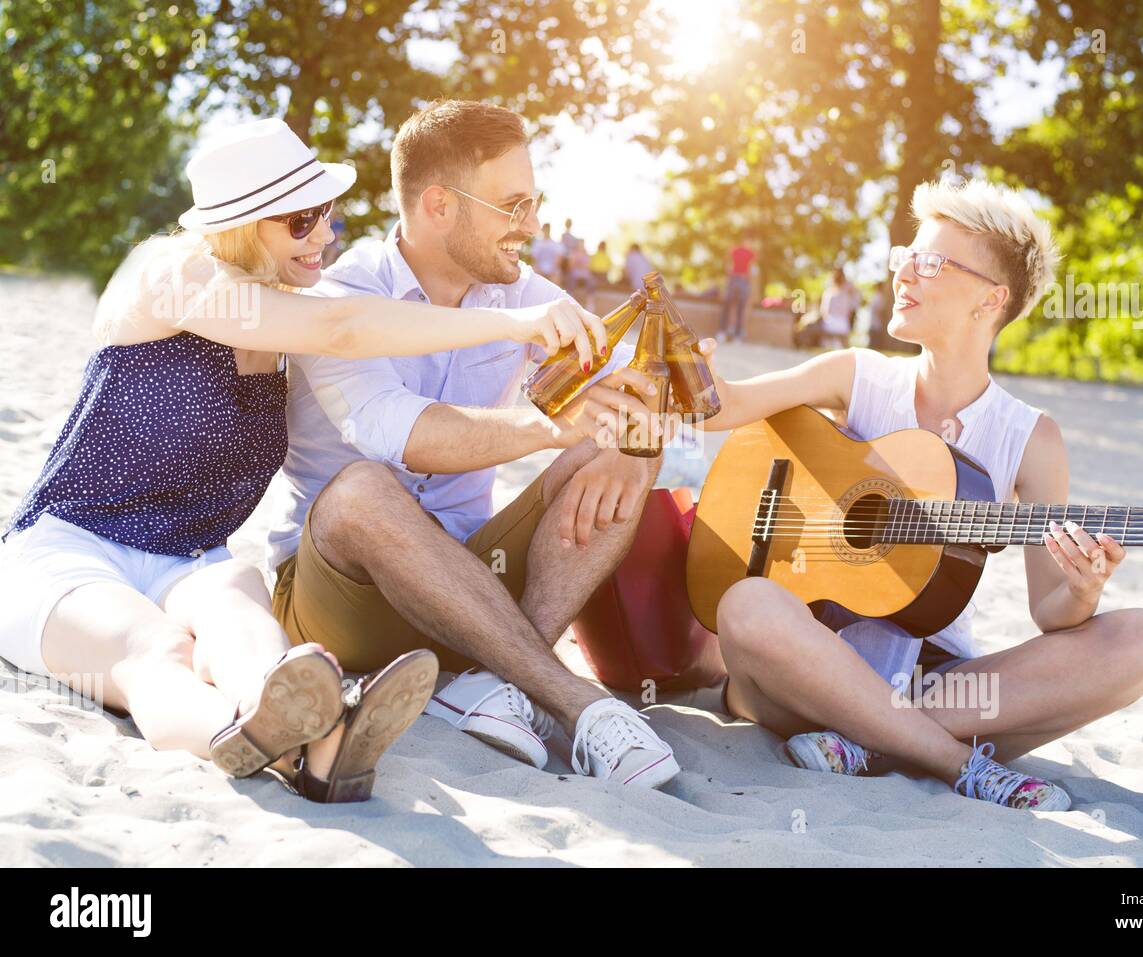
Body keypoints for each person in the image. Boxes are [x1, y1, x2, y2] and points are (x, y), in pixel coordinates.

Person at [0, 118, 603, 803]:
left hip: (192, 559)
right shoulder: (169, 275)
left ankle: (319, 730)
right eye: (301, 219)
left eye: (328, 213)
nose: (325, 234)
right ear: (241, 224)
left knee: (257, 641)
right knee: (158, 655)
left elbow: (355, 323)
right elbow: (344, 326)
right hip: (68, 547)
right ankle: (284, 749)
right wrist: (512, 321)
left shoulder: (290, 316)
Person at [692, 179, 1143, 811]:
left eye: (930, 262)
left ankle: (871, 742)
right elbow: (725, 406)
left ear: (990, 299)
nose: (904, 274)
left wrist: (1082, 588)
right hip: (800, 672)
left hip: (936, 683)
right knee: (748, 604)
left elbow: (1050, 615)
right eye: (905, 258)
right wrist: (684, 368)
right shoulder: (858, 375)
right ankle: (956, 763)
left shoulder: (1032, 439)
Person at [263, 100, 681, 790]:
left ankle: (492, 679)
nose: (534, 227)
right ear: (438, 206)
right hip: (342, 599)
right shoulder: (340, 293)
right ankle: (569, 698)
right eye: (513, 206)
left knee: (603, 458)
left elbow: (647, 389)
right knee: (364, 489)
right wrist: (559, 425)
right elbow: (399, 433)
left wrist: (635, 449)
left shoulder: (521, 292)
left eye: (535, 203)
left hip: (470, 577)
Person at [718, 232, 758, 342]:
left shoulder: (752, 254)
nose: (749, 243)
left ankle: (737, 335)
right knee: (727, 304)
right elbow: (729, 264)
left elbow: (751, 268)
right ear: (744, 240)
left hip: (744, 280)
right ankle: (722, 331)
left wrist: (748, 281)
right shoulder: (735, 250)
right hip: (734, 279)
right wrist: (730, 276)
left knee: (741, 306)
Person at [817, 267, 859, 348]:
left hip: (834, 322)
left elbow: (824, 310)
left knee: (831, 346)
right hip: (837, 322)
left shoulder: (831, 292)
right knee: (840, 347)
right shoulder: (842, 293)